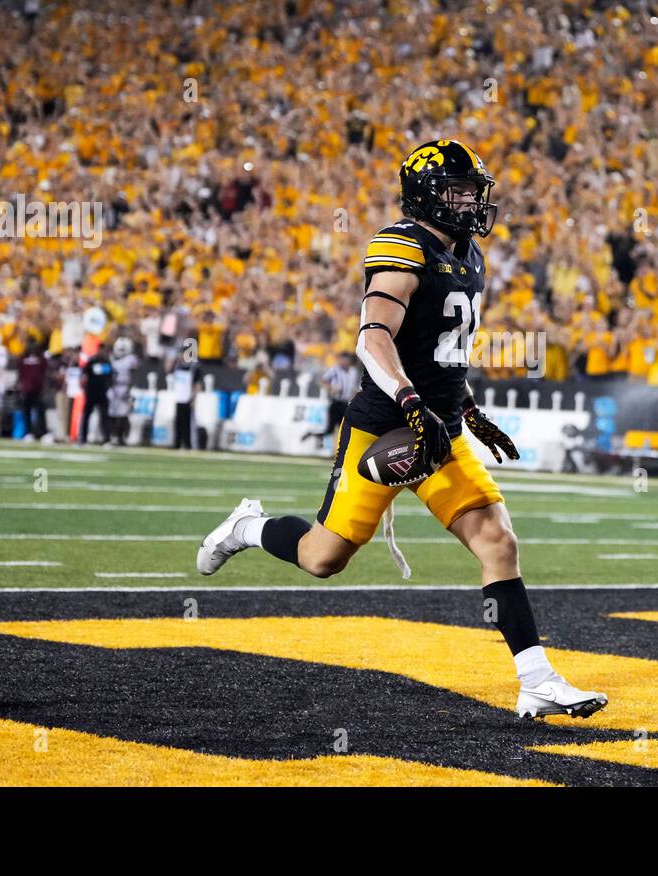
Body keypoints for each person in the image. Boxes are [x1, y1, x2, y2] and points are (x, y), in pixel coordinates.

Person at [194, 139, 607, 719]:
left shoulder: (470, 255)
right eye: (457, 192)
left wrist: (466, 409)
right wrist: (410, 401)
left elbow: (441, 352)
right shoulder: (402, 245)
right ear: (426, 196)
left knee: (498, 541)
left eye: (473, 192)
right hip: (386, 425)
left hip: (439, 429)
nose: (470, 204)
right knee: (322, 558)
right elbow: (373, 338)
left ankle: (536, 680)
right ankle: (248, 526)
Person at [303, 351, 360, 446]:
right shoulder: (335, 370)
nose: (343, 362)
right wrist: (331, 388)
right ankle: (314, 434)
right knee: (331, 429)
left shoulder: (353, 372)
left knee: (345, 428)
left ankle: (339, 449)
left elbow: (354, 387)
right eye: (342, 359)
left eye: (345, 360)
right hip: (336, 403)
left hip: (346, 404)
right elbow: (322, 381)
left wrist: (354, 396)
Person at [108, 336, 139, 445]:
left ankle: (121, 436)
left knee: (123, 414)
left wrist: (129, 388)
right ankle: (112, 435)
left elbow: (133, 375)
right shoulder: (111, 358)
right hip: (113, 386)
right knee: (112, 413)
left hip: (125, 386)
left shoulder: (131, 359)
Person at [79, 345, 112, 445]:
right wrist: (84, 388)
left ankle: (107, 439)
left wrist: (109, 389)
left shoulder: (107, 362)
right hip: (91, 392)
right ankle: (83, 438)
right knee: (86, 415)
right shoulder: (92, 361)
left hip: (102, 393)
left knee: (104, 416)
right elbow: (84, 375)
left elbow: (109, 377)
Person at [16, 340, 49, 440]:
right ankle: (28, 432)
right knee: (26, 412)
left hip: (38, 389)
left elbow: (44, 372)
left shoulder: (41, 358)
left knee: (40, 412)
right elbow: (20, 373)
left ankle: (43, 433)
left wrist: (44, 386)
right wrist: (19, 385)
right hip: (26, 390)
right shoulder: (23, 358)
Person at [169, 354, 199, 449]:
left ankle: (188, 444)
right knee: (177, 423)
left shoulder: (193, 368)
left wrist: (193, 398)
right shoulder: (177, 366)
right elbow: (167, 369)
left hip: (187, 399)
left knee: (187, 424)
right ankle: (177, 443)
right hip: (178, 398)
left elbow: (197, 385)